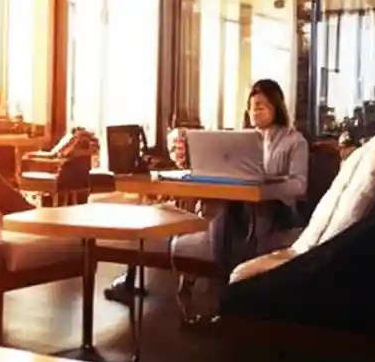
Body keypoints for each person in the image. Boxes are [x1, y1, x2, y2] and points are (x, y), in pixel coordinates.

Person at [105, 80, 309, 320]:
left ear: (277, 107)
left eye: (262, 106)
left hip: (276, 209)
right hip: (236, 204)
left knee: (229, 213)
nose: (255, 111)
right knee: (222, 208)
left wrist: (267, 185)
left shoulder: (294, 141)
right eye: (252, 106)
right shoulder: (239, 141)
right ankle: (226, 294)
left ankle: (229, 294)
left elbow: (299, 185)